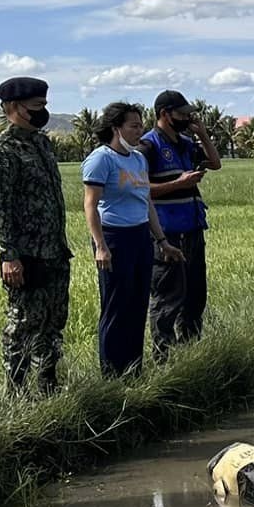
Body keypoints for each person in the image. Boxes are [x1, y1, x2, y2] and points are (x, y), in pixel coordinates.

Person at [0, 75, 70, 394]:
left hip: (55, 250)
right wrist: (10, 255)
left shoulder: (42, 143)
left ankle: (48, 384)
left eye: (45, 105)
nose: (42, 111)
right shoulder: (3, 151)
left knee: (53, 321)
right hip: (26, 254)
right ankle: (15, 391)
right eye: (36, 106)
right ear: (13, 107)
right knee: (22, 325)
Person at [83, 103, 181, 377]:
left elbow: (146, 201)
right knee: (116, 305)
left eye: (141, 125)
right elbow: (90, 205)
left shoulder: (138, 159)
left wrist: (161, 240)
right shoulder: (101, 159)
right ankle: (112, 375)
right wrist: (100, 245)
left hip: (140, 236)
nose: (139, 131)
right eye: (133, 126)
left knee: (138, 304)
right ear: (116, 128)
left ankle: (133, 371)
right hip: (114, 237)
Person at [141, 89, 218, 362]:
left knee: (195, 295)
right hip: (166, 232)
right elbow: (141, 190)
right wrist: (179, 184)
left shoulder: (186, 143)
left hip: (193, 227)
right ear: (165, 114)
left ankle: (191, 352)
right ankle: (164, 358)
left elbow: (216, 163)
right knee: (167, 297)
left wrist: (203, 134)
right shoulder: (147, 146)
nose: (188, 118)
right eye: (183, 114)